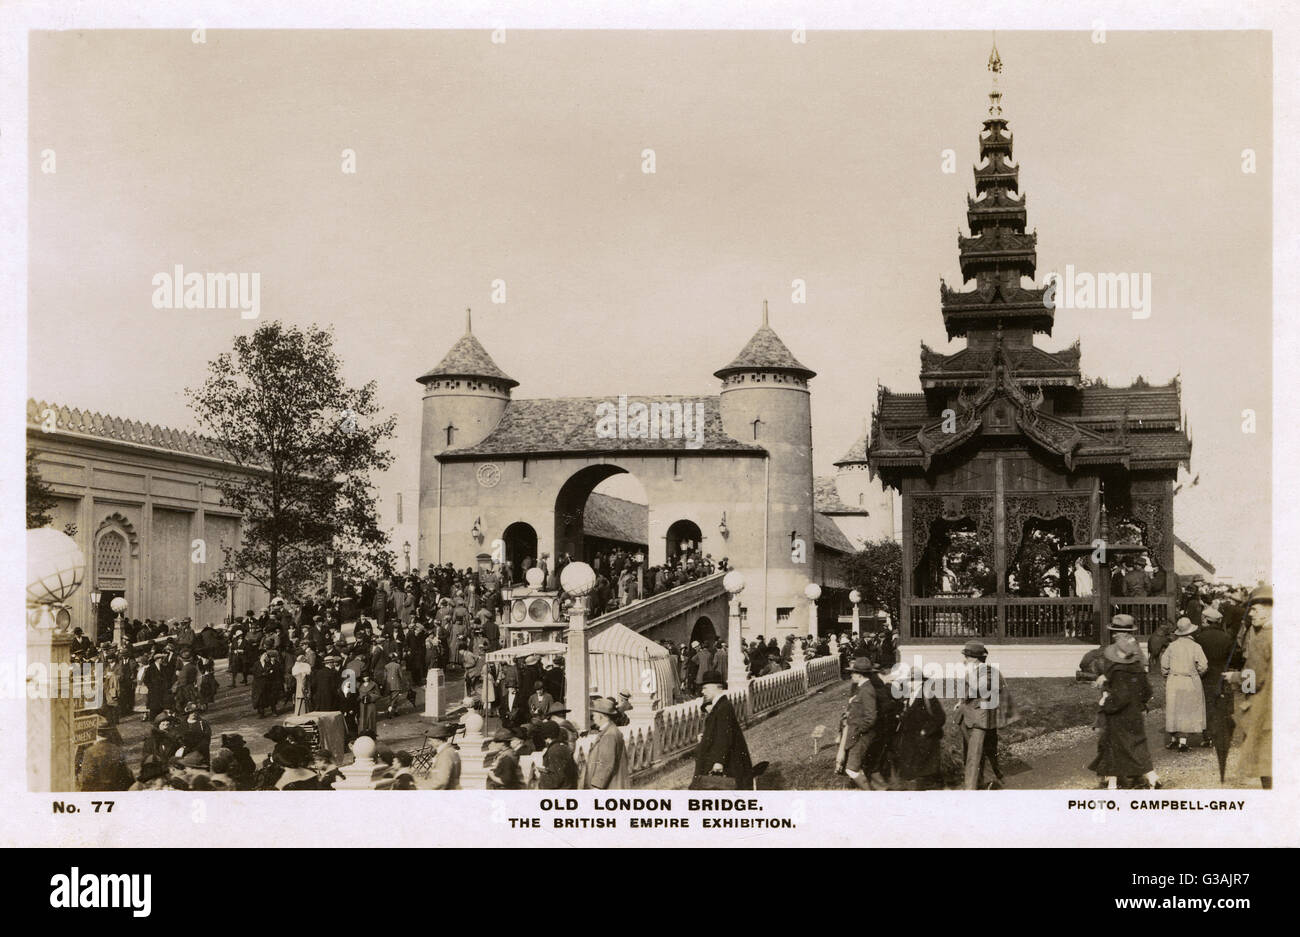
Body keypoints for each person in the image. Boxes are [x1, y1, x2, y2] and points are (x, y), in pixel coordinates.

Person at [1088, 634, 1161, 790]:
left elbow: (1120, 698)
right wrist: (1139, 703)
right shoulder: (1138, 669)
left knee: (1112, 747)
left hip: (1119, 716)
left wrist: (1105, 703)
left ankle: (1112, 783)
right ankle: (1152, 777)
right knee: (1138, 745)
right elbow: (1147, 692)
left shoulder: (1117, 672)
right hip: (1135, 714)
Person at [954, 641, 1015, 790]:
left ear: (973, 658)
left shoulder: (988, 672)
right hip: (968, 717)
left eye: (966, 657)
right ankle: (988, 781)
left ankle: (971, 790)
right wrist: (960, 702)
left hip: (980, 720)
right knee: (976, 753)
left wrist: (967, 674)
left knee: (974, 756)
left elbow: (979, 688)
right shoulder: (975, 672)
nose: (964, 660)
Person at [1229, 585, 1272, 788]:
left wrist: (1234, 677)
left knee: (1267, 765)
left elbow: (1252, 681)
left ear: (1269, 609)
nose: (1250, 614)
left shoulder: (1262, 638)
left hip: (1266, 710)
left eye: (1254, 609)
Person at [693, 671, 753, 788]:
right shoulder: (719, 705)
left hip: (726, 761)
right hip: (718, 758)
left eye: (705, 688)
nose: (702, 692)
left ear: (716, 687)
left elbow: (724, 736)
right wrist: (706, 736)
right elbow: (718, 730)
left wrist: (719, 761)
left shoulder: (724, 706)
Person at [894, 664, 946, 790]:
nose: (909, 683)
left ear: (920, 681)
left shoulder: (927, 696)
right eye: (909, 680)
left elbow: (940, 717)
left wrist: (925, 731)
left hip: (925, 741)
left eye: (912, 680)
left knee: (925, 774)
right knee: (915, 773)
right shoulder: (909, 696)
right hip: (911, 741)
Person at [1160, 617, 1208, 752]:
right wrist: (1197, 674)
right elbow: (1203, 665)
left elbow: (1164, 665)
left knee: (1173, 708)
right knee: (1186, 709)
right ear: (1191, 631)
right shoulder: (1196, 647)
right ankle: (1183, 742)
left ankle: (1173, 739)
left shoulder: (1171, 646)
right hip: (1189, 680)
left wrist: (1168, 675)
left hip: (1174, 679)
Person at [836, 657, 879, 790]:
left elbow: (871, 717)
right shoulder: (861, 688)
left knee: (851, 769)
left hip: (861, 736)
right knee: (857, 767)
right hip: (856, 734)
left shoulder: (866, 690)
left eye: (853, 673)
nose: (851, 675)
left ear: (860, 675)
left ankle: (870, 794)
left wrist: (859, 730)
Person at [1194, 607, 1234, 749]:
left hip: (1205, 676)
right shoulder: (1227, 637)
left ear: (1206, 620)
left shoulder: (1199, 638)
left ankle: (1208, 736)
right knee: (1221, 705)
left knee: (1207, 705)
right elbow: (1233, 658)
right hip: (1221, 674)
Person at [77, 722, 134, 792]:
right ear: (108, 734)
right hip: (115, 790)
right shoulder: (117, 749)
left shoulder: (90, 752)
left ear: (96, 735)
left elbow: (87, 778)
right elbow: (125, 775)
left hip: (97, 792)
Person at [585, 698, 628, 790]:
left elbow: (606, 764)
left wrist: (597, 787)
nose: (593, 718)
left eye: (594, 715)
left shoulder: (609, 735)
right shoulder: (612, 730)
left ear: (601, 716)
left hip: (608, 787)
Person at [427, 721, 463, 790]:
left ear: (438, 740)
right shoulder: (452, 750)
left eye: (431, 740)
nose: (429, 743)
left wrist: (427, 790)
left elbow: (441, 781)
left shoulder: (445, 754)